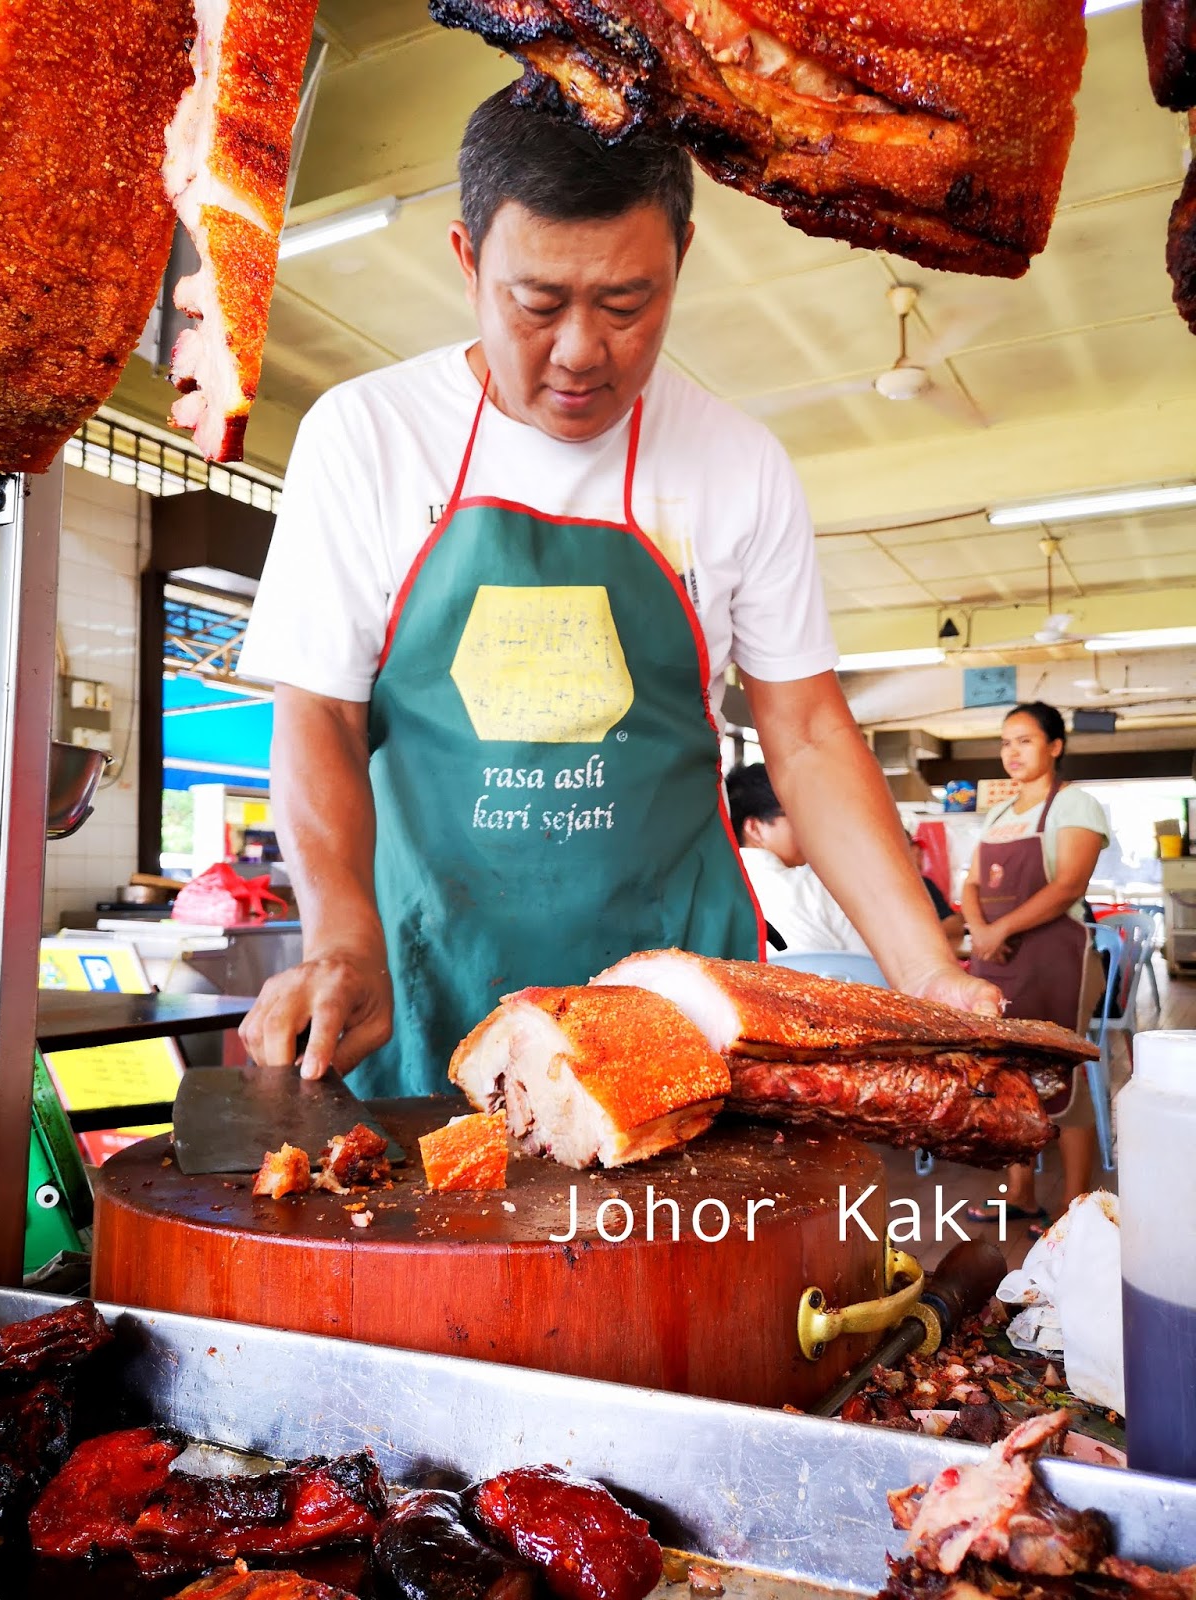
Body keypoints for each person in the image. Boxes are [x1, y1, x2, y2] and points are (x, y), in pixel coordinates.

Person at [236, 89, 1001, 1096]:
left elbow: (808, 734)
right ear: (467, 261)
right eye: (537, 303)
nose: (580, 352)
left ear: (681, 256)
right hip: (428, 974)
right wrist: (340, 938)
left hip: (675, 990)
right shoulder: (368, 437)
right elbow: (321, 713)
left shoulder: (737, 463)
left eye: (627, 305)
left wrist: (927, 972)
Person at [961, 702, 1109, 1231]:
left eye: (1025, 740)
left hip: (1054, 959)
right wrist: (980, 930)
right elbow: (970, 885)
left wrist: (1000, 929)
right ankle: (1021, 1193)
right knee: (1007, 1076)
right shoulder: (998, 814)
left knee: (1061, 1075)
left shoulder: (1074, 804)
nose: (1012, 752)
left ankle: (1075, 1209)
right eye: (1006, 742)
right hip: (996, 959)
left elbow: (1068, 885)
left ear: (1055, 746)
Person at [726, 763, 870, 955]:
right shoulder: (821, 888)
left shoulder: (715, 892)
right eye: (798, 816)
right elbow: (876, 961)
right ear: (755, 828)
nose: (812, 829)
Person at [907, 832, 966, 952]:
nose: (920, 859)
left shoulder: (925, 885)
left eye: (920, 854)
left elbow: (954, 925)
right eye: (915, 852)